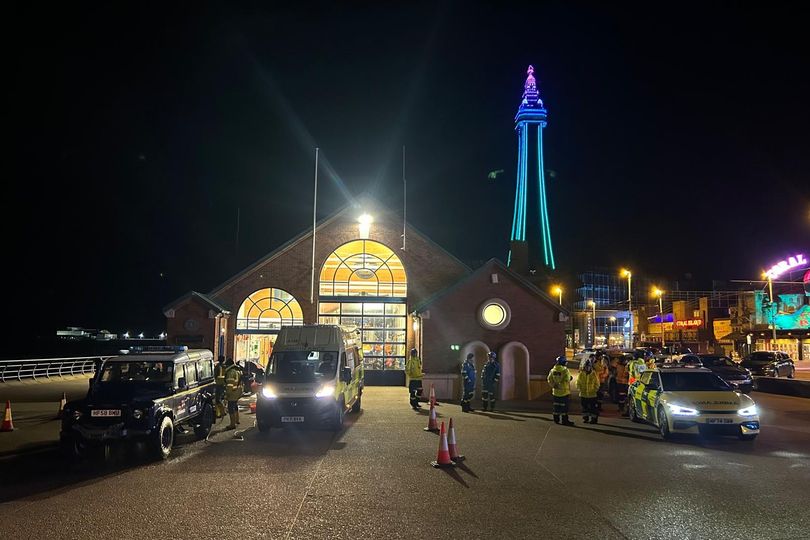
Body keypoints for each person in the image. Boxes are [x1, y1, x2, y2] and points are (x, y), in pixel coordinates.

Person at [547, 356, 574, 425]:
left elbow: (549, 379)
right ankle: (565, 421)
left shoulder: (553, 370)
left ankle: (556, 419)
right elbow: (567, 379)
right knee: (564, 407)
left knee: (556, 406)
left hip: (555, 392)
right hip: (564, 392)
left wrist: (554, 386)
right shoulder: (565, 370)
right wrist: (570, 378)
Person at [576, 359, 600, 424]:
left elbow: (597, 383)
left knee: (593, 408)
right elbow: (578, 382)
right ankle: (585, 418)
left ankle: (594, 419)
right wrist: (579, 389)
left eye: (588, 367)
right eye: (586, 367)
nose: (587, 368)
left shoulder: (594, 374)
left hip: (592, 395)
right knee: (584, 407)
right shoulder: (581, 374)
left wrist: (595, 390)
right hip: (583, 394)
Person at [224, 358, 243, 430]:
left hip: (233, 392)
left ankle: (232, 424)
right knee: (235, 405)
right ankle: (237, 420)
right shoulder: (237, 370)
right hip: (238, 391)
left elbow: (230, 385)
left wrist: (227, 394)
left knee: (230, 407)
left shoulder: (230, 372)